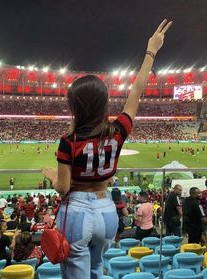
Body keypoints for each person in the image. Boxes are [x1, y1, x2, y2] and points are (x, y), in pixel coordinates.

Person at [42, 19, 172, 279]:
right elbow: (137, 91)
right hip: (107, 213)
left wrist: (53, 177)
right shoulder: (118, 130)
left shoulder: (70, 141)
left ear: (74, 107)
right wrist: (151, 52)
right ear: (104, 103)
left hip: (77, 211)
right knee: (97, 270)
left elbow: (64, 188)